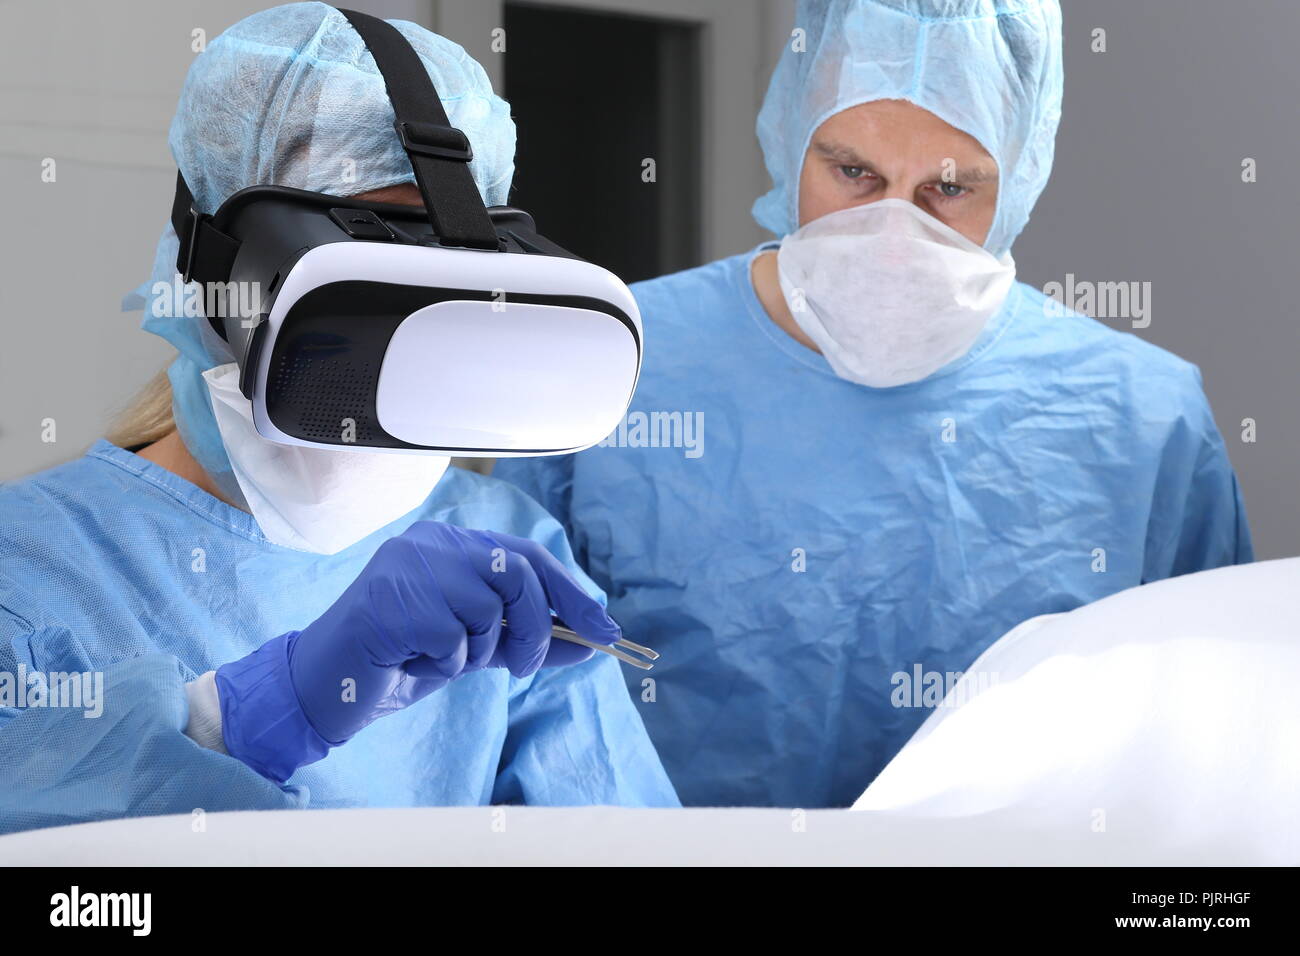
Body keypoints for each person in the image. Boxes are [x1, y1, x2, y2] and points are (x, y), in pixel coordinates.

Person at [493, 0, 1252, 808]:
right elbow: (511, 704)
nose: (894, 228)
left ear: (1022, 172)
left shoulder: (1143, 418)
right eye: (854, 173)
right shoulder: (615, 364)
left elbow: (1213, 738)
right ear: (790, 137)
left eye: (950, 188)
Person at [0, 2, 676, 836]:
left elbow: (627, 844)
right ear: (218, 269)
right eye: (355, 297)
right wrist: (251, 712)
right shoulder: (25, 568)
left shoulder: (501, 545)